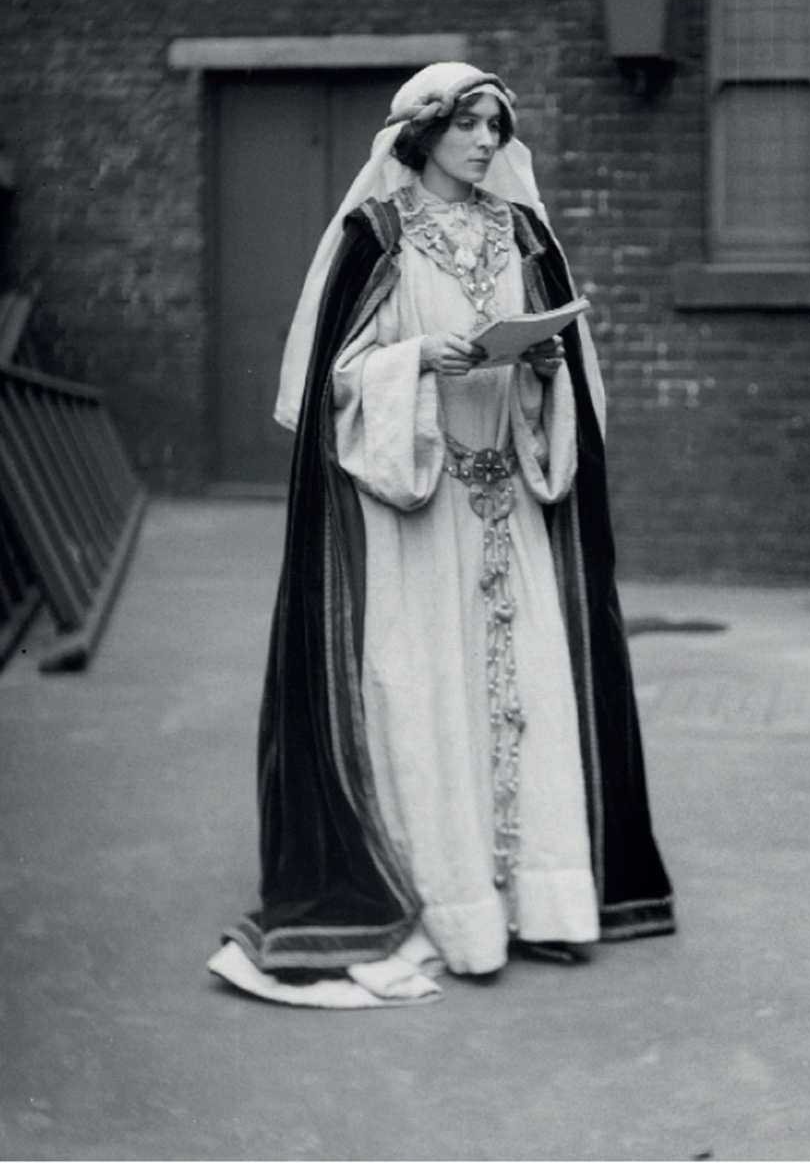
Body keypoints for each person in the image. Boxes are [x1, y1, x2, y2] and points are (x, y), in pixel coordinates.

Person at [209, 63, 675, 1008]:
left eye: (497, 128)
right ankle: (451, 908)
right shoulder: (375, 237)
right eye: (468, 125)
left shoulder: (522, 232)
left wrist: (540, 365)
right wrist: (424, 355)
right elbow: (335, 377)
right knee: (424, 694)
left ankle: (534, 903)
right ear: (423, 134)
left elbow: (567, 382)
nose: (486, 143)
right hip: (415, 509)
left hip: (509, 504)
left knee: (527, 691)